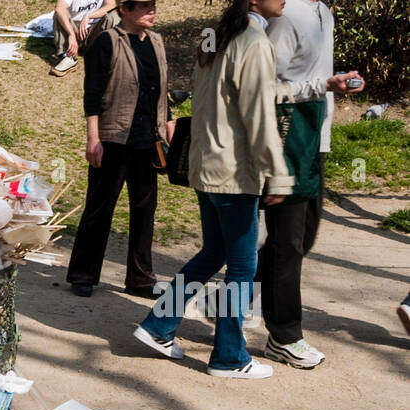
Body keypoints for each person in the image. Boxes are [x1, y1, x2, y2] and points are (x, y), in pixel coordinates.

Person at [133, 0, 293, 380]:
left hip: (205, 163)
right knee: (241, 265)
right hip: (235, 171)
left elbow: (211, 100)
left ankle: (157, 326)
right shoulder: (253, 41)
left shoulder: (214, 35)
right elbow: (259, 114)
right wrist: (278, 172)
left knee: (213, 252)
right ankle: (229, 357)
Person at [256, 0, 363, 369]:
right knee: (288, 241)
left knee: (301, 237)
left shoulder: (323, 12)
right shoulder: (287, 16)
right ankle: (284, 336)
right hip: (288, 141)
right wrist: (322, 86)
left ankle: (237, 301)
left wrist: (333, 86)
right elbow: (266, 88)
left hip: (315, 138)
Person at [66, 0, 172, 298]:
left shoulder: (157, 42)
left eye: (152, 5)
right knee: (100, 207)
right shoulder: (107, 42)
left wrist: (169, 124)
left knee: (144, 209)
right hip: (113, 138)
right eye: (143, 6)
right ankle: (83, 274)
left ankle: (140, 279)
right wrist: (93, 138)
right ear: (123, 9)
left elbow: (162, 88)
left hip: (148, 140)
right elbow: (93, 93)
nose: (151, 11)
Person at [50, 0, 118, 76]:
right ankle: (67, 56)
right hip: (73, 30)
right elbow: (60, 8)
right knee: (58, 14)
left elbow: (111, 5)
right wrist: (71, 34)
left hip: (94, 31)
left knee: (112, 17)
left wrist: (88, 16)